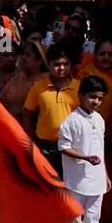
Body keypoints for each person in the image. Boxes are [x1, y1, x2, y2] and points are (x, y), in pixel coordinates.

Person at [58, 76, 112, 223]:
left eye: (99, 98)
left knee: (93, 219)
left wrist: (104, 174)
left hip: (96, 180)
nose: (96, 102)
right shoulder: (71, 121)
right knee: (73, 220)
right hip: (77, 180)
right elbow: (64, 148)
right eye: (92, 97)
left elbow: (100, 149)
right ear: (80, 96)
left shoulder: (99, 119)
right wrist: (85, 158)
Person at [23, 44, 79, 177]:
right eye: (57, 64)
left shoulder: (80, 88)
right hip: (46, 148)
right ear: (48, 65)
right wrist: (32, 142)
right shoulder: (38, 87)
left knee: (70, 188)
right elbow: (27, 115)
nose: (61, 68)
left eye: (65, 64)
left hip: (73, 147)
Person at [0, 41, 47, 120]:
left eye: (28, 55)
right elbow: (2, 98)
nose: (23, 58)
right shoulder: (20, 77)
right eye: (24, 54)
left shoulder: (45, 81)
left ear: (40, 61)